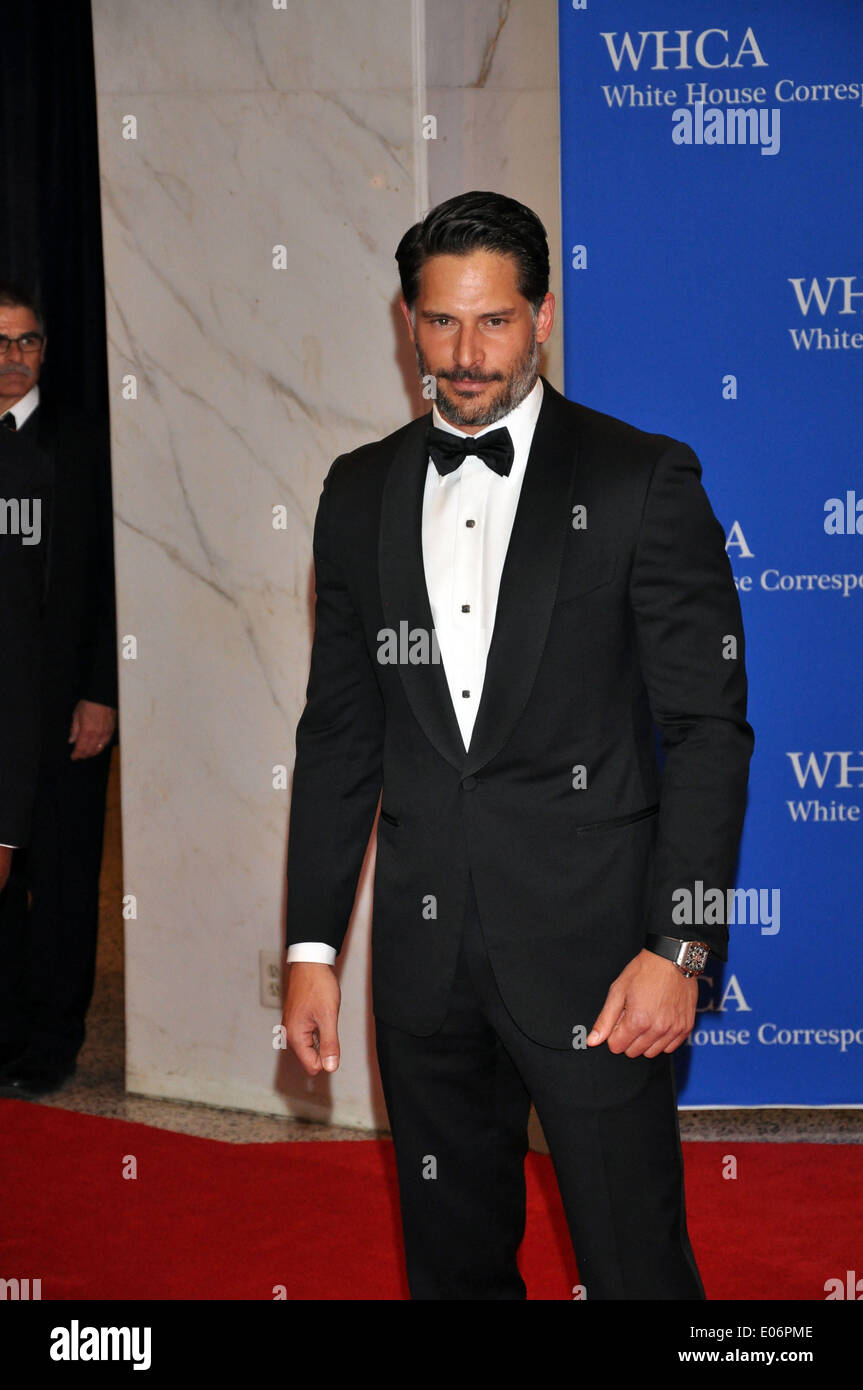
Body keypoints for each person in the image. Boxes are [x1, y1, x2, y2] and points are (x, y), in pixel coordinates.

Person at [282, 191, 753, 1300]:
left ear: (540, 315)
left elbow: (706, 731)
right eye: (440, 322)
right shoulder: (356, 493)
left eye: (492, 321)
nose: (465, 353)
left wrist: (677, 947)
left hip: (603, 962)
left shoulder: (638, 479)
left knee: (633, 1266)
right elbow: (341, 732)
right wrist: (312, 949)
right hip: (422, 963)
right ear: (408, 321)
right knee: (451, 1265)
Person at [0, 281, 117, 1097]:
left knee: (64, 881)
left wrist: (102, 692)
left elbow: (115, 579)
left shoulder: (86, 445)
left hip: (63, 705)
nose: (12, 358)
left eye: (27, 341)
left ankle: (50, 1046)